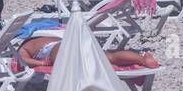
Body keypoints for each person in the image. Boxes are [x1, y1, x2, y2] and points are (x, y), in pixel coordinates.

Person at [16, 36, 158, 71]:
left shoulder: (22, 48)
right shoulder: (42, 38)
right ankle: (142, 59)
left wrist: (40, 63)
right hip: (70, 39)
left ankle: (106, 67)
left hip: (53, 49)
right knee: (109, 55)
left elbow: (24, 60)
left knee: (77, 62)